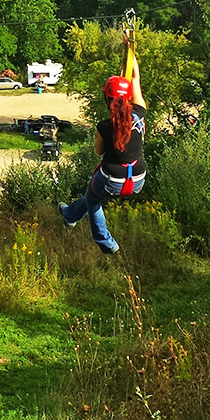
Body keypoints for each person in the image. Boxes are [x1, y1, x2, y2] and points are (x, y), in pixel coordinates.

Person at [58, 34, 146, 255]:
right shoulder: (140, 112)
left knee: (93, 200)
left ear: (107, 100)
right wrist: (131, 50)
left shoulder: (105, 126)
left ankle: (106, 243)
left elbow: (99, 152)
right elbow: (135, 79)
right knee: (91, 196)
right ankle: (69, 214)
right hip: (138, 178)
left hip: (112, 179)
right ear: (128, 99)